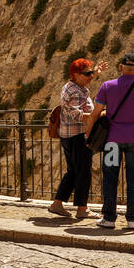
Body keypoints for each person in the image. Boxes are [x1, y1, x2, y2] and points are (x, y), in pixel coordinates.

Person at [87, 53, 134, 230]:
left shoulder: (107, 86)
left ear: (120, 67)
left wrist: (88, 135)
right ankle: (133, 218)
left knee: (110, 178)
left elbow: (95, 113)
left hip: (112, 142)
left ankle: (109, 218)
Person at [49, 58, 108, 219]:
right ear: (76, 74)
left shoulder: (73, 86)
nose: (90, 76)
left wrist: (95, 72)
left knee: (73, 171)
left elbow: (84, 79)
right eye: (87, 73)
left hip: (69, 135)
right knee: (84, 172)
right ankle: (82, 209)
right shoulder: (75, 91)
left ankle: (57, 204)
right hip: (77, 136)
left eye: (91, 73)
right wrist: (99, 114)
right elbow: (76, 115)